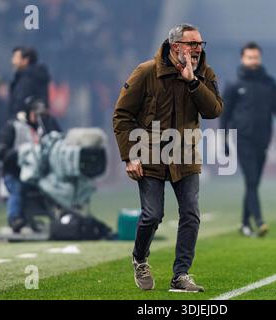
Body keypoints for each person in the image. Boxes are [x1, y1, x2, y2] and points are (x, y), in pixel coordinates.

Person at [113, 23, 222, 292]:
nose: (198, 49)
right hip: (148, 153)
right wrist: (129, 156)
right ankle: (139, 258)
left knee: (191, 214)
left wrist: (193, 82)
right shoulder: (146, 71)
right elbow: (122, 115)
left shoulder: (204, 73)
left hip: (184, 153)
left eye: (200, 44)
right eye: (192, 44)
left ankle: (181, 275)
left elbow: (214, 110)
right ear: (175, 47)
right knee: (152, 215)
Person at [221, 42, 276, 238]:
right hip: (243, 138)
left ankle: (244, 223)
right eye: (250, 57)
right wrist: (224, 140)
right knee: (251, 180)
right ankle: (259, 221)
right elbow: (224, 114)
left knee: (254, 182)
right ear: (242, 59)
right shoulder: (234, 84)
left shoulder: (269, 83)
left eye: (256, 57)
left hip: (263, 138)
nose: (253, 61)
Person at [0, 98, 61, 232]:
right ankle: (15, 219)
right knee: (17, 189)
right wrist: (12, 154)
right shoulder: (14, 126)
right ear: (28, 113)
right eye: (36, 113)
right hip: (14, 173)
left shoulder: (44, 129)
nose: (39, 117)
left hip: (37, 175)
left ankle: (60, 216)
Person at [9, 46, 51, 118]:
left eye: (16, 58)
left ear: (25, 60)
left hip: (26, 121)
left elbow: (23, 101)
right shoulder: (23, 77)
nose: (12, 62)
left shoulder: (31, 78)